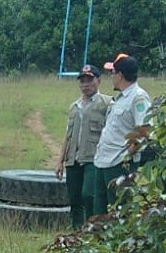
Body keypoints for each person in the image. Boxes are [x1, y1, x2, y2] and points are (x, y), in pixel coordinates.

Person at [92, 53, 151, 215]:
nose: (111, 77)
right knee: (100, 209)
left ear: (120, 75)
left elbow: (144, 130)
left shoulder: (138, 97)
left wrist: (127, 157)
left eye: (113, 73)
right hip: (103, 160)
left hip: (119, 162)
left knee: (120, 210)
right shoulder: (121, 98)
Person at [55, 64, 113, 228]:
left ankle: (92, 229)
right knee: (74, 198)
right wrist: (60, 161)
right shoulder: (74, 106)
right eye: (82, 81)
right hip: (73, 159)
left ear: (99, 81)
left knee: (88, 195)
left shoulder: (107, 104)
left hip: (93, 158)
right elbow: (68, 135)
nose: (85, 84)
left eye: (89, 80)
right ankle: (76, 234)